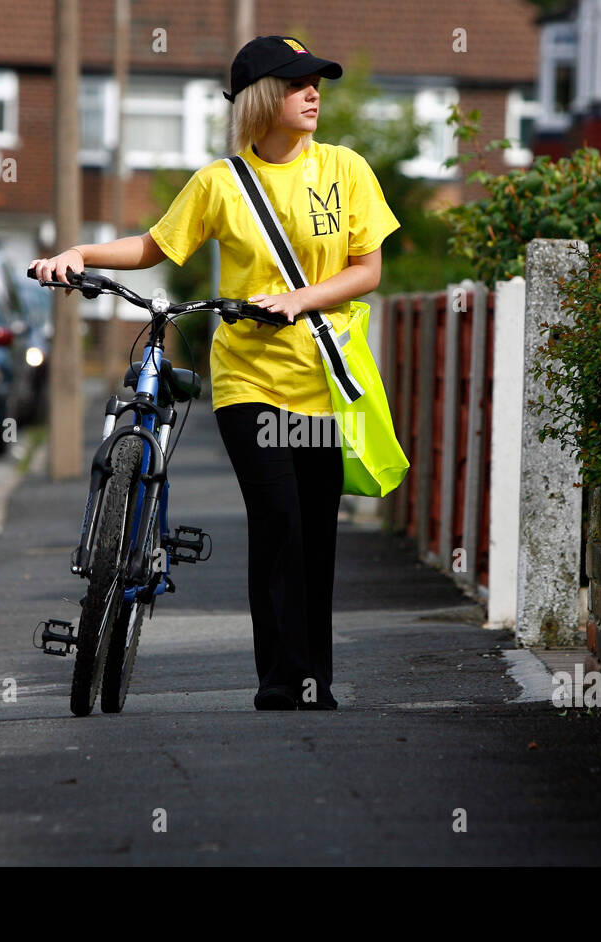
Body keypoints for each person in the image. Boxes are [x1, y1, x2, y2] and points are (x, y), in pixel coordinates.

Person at [29, 35, 400, 711]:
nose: (313, 93)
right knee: (280, 520)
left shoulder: (346, 170)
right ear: (263, 98)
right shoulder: (219, 184)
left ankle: (315, 676)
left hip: (322, 381)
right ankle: (281, 680)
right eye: (297, 84)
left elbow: (367, 269)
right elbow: (153, 244)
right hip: (247, 383)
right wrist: (81, 252)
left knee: (317, 533)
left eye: (317, 82)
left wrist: (298, 300)